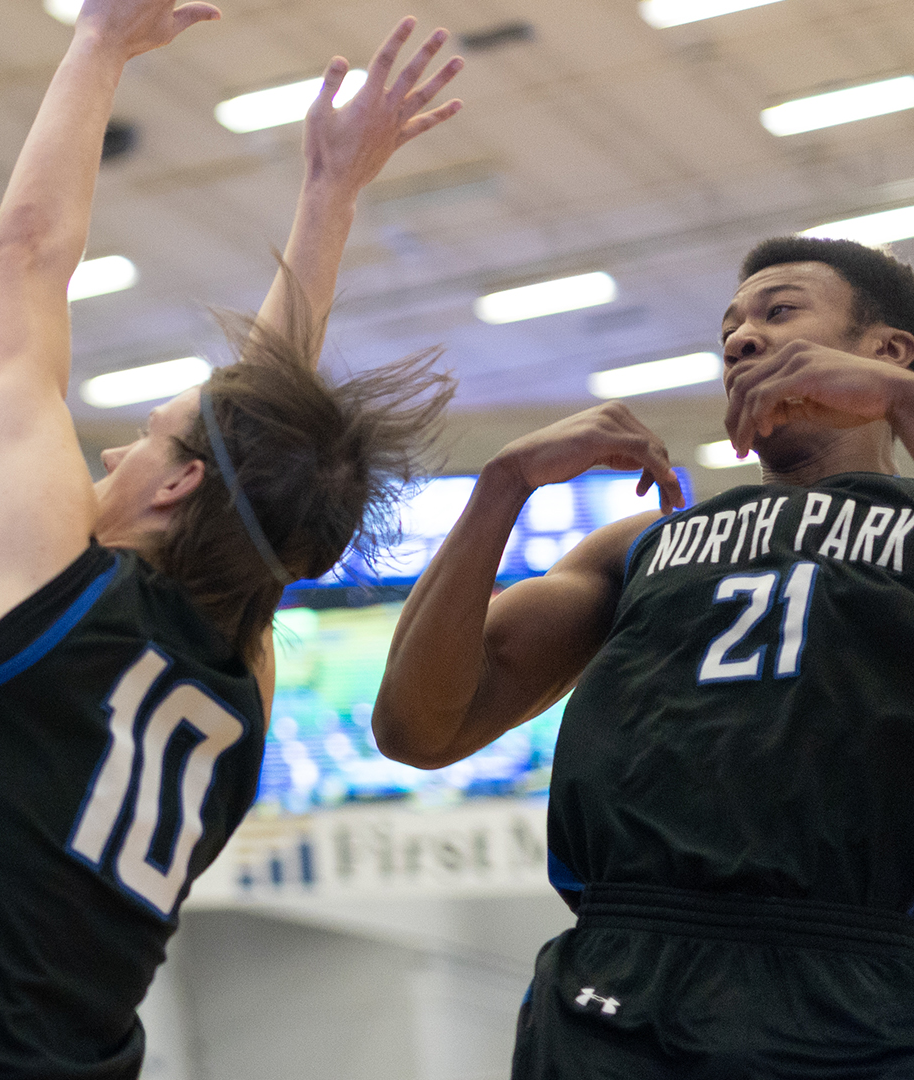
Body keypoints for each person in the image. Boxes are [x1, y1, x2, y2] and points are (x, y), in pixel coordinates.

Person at [0, 6, 458, 1079]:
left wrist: (99, 43)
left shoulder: (48, 590)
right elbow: (262, 469)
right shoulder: (243, 687)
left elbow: (24, 259)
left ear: (177, 485)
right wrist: (326, 202)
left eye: (148, 435)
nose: (116, 447)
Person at [373, 235, 914, 1076]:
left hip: (860, 980)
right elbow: (417, 726)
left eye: (779, 312)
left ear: (885, 350)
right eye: (731, 327)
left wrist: (904, 400)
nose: (740, 339)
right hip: (621, 979)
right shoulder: (643, 544)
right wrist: (502, 487)